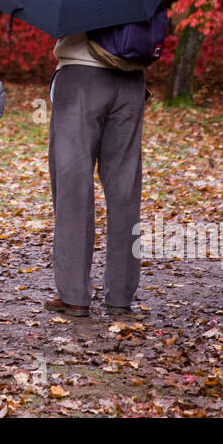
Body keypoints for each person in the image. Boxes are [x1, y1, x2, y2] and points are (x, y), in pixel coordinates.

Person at [44, 30, 148, 318]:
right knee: (125, 190)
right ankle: (121, 296)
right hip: (131, 79)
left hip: (80, 76)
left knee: (72, 186)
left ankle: (74, 294)